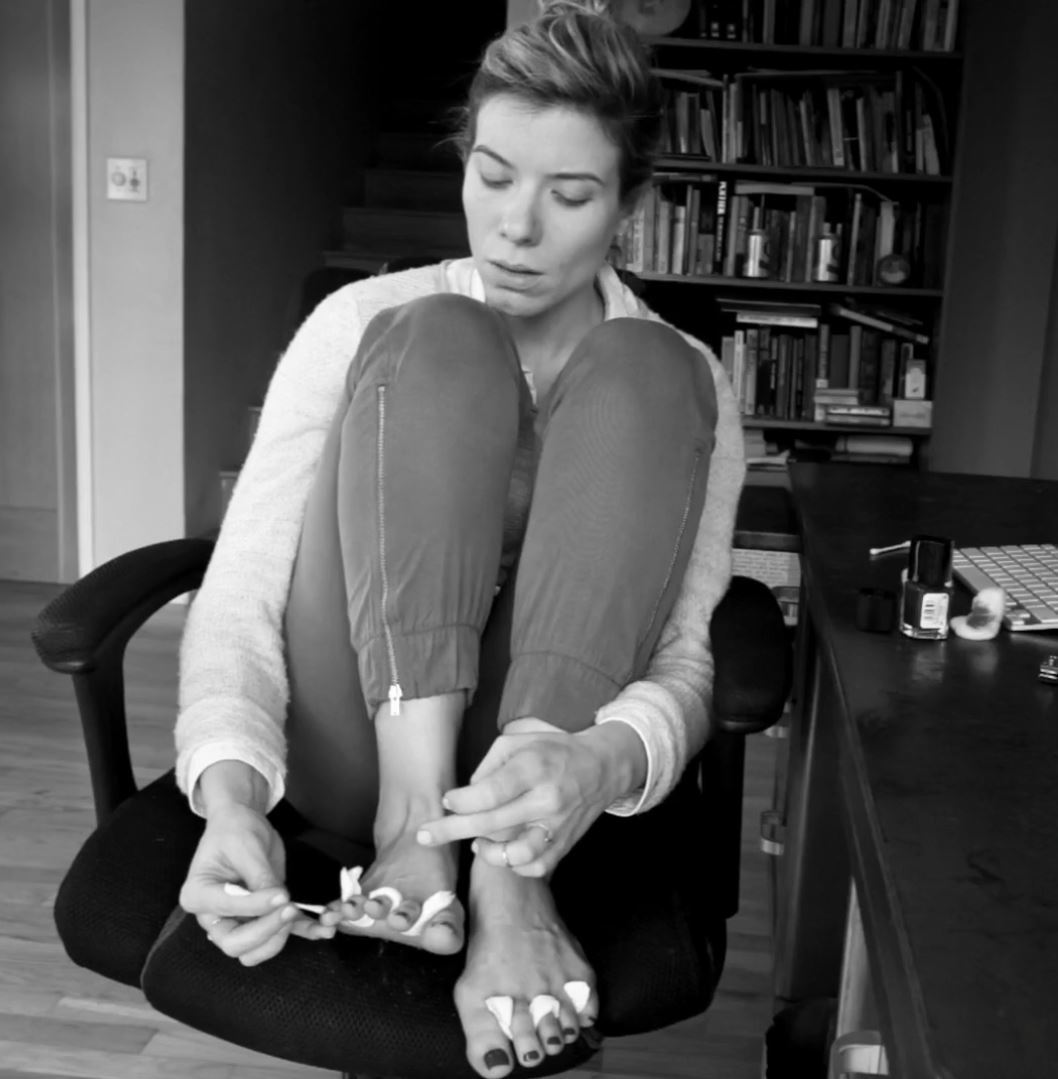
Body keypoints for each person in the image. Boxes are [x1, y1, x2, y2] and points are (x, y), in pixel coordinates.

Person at [174, 2, 745, 1077]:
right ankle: (413, 833)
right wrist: (230, 796)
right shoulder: (360, 321)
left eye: (569, 195)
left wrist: (599, 762)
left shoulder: (689, 382)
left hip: (543, 757)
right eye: (493, 175)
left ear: (629, 206)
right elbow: (240, 586)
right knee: (441, 335)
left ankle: (509, 876)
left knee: (652, 367)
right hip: (361, 727)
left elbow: (681, 657)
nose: (516, 227)